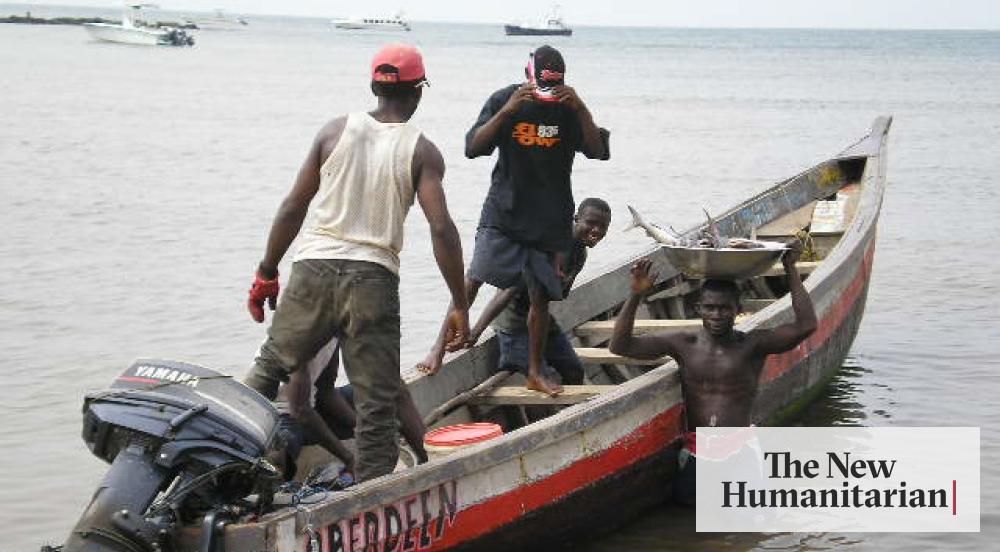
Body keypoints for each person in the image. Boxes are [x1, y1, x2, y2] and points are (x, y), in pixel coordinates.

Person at [243, 44, 469, 482]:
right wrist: (459, 302)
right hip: (373, 278)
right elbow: (442, 229)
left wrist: (266, 272)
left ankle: (225, 458)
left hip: (313, 268)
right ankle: (370, 497)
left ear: (374, 86)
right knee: (376, 403)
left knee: (269, 367)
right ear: (419, 92)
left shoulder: (333, 132)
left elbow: (294, 205)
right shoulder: (423, 151)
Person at [416, 45, 609, 398]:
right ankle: (438, 348)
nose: (549, 92)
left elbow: (597, 151)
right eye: (543, 84)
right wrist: (509, 111)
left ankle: (535, 371)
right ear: (528, 75)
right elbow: (473, 147)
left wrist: (579, 106)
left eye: (556, 85)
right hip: (504, 211)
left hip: (550, 219)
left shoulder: (569, 109)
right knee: (472, 279)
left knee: (539, 295)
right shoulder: (506, 99)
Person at [608, 243, 816, 504]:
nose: (717, 315)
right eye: (710, 308)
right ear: (699, 309)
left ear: (737, 310)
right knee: (690, 512)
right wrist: (635, 294)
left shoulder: (752, 345)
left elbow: (806, 324)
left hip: (739, 449)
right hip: (698, 450)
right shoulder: (683, 344)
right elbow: (620, 346)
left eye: (724, 308)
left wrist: (791, 268)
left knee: (747, 522)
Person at [464, 198, 611, 389]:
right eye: (590, 223)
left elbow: (555, 294)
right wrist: (476, 331)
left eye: (603, 227)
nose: (596, 231)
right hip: (514, 326)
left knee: (575, 371)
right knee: (541, 380)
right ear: (576, 219)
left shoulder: (579, 255)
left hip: (541, 323)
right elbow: (507, 292)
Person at [272, 339, 429, 486]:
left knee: (390, 387)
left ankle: (431, 465)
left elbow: (326, 392)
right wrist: (348, 458)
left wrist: (365, 427)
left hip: (313, 406)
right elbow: (301, 410)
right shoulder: (303, 331)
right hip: (282, 416)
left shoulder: (331, 330)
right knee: (276, 454)